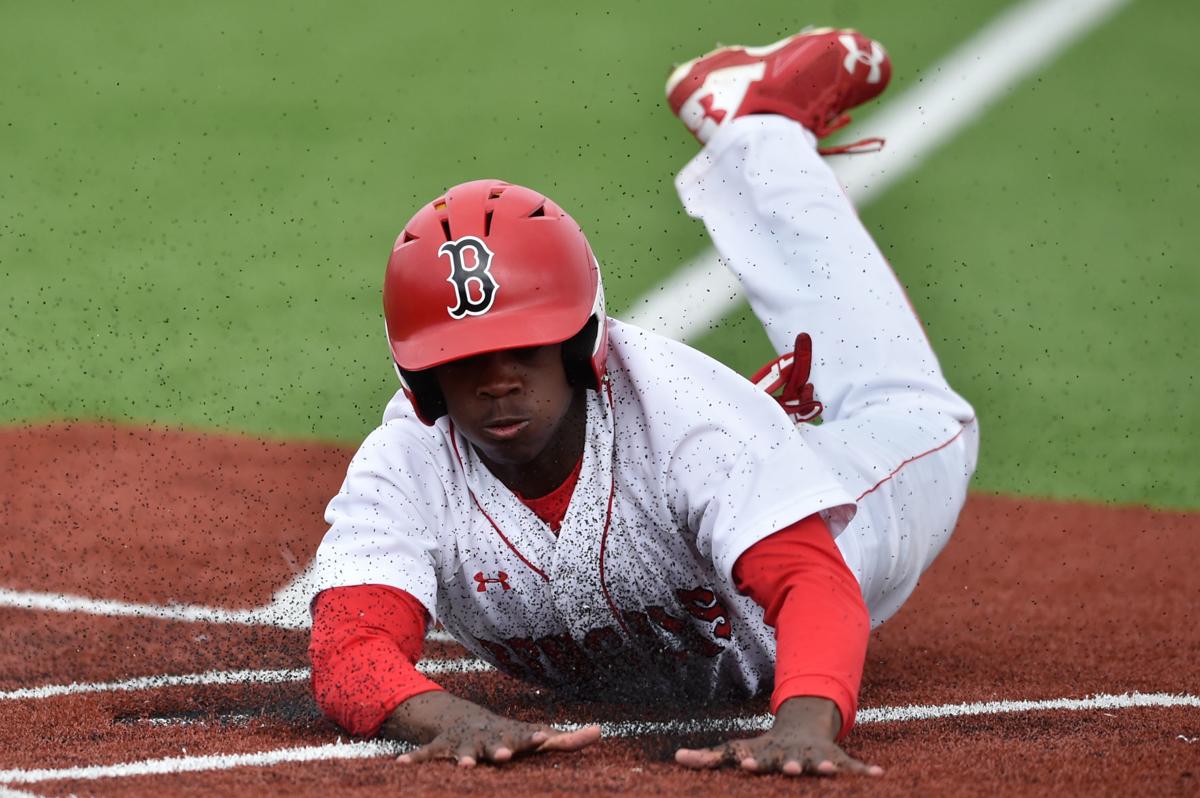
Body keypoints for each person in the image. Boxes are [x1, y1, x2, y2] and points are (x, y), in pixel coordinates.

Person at [307, 26, 978, 778]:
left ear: (577, 341)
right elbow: (347, 646)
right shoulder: (406, 464)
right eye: (463, 363)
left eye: (524, 349)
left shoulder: (689, 422)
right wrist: (453, 718)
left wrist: (807, 725)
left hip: (841, 505)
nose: (498, 381)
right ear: (422, 376)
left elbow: (813, 583)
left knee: (922, 415)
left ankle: (756, 128)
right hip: (690, 550)